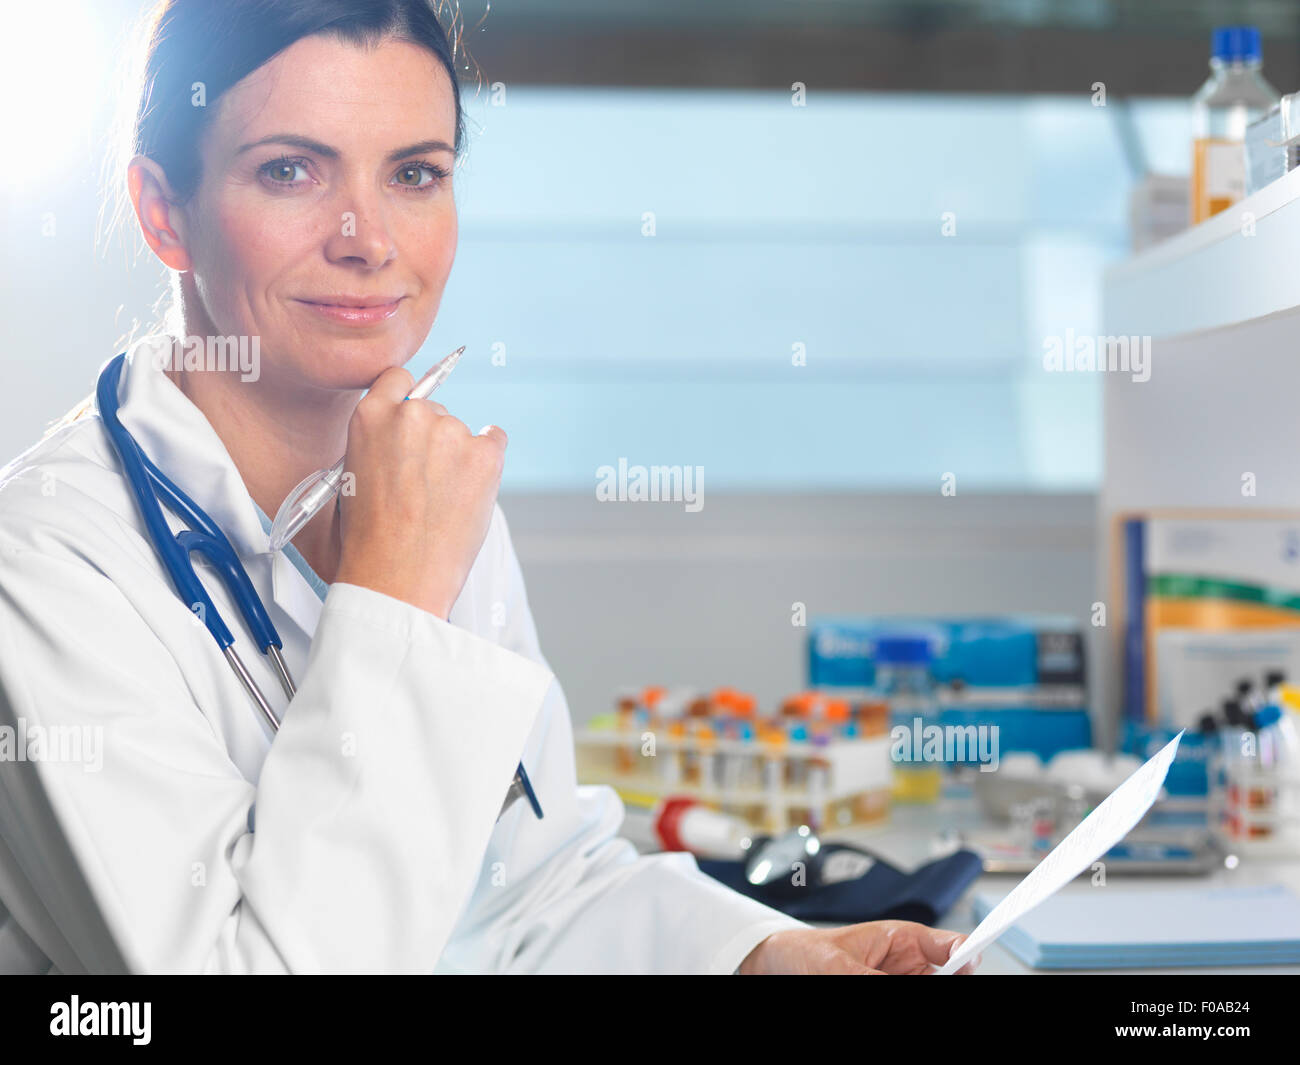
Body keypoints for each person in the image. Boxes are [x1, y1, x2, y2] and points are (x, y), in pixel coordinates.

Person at [0, 0, 979, 975]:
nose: (368, 238)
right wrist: (394, 601)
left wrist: (758, 953)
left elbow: (531, 886)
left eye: (415, 173)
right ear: (164, 212)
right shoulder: (50, 562)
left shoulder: (426, 490)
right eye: (290, 170)